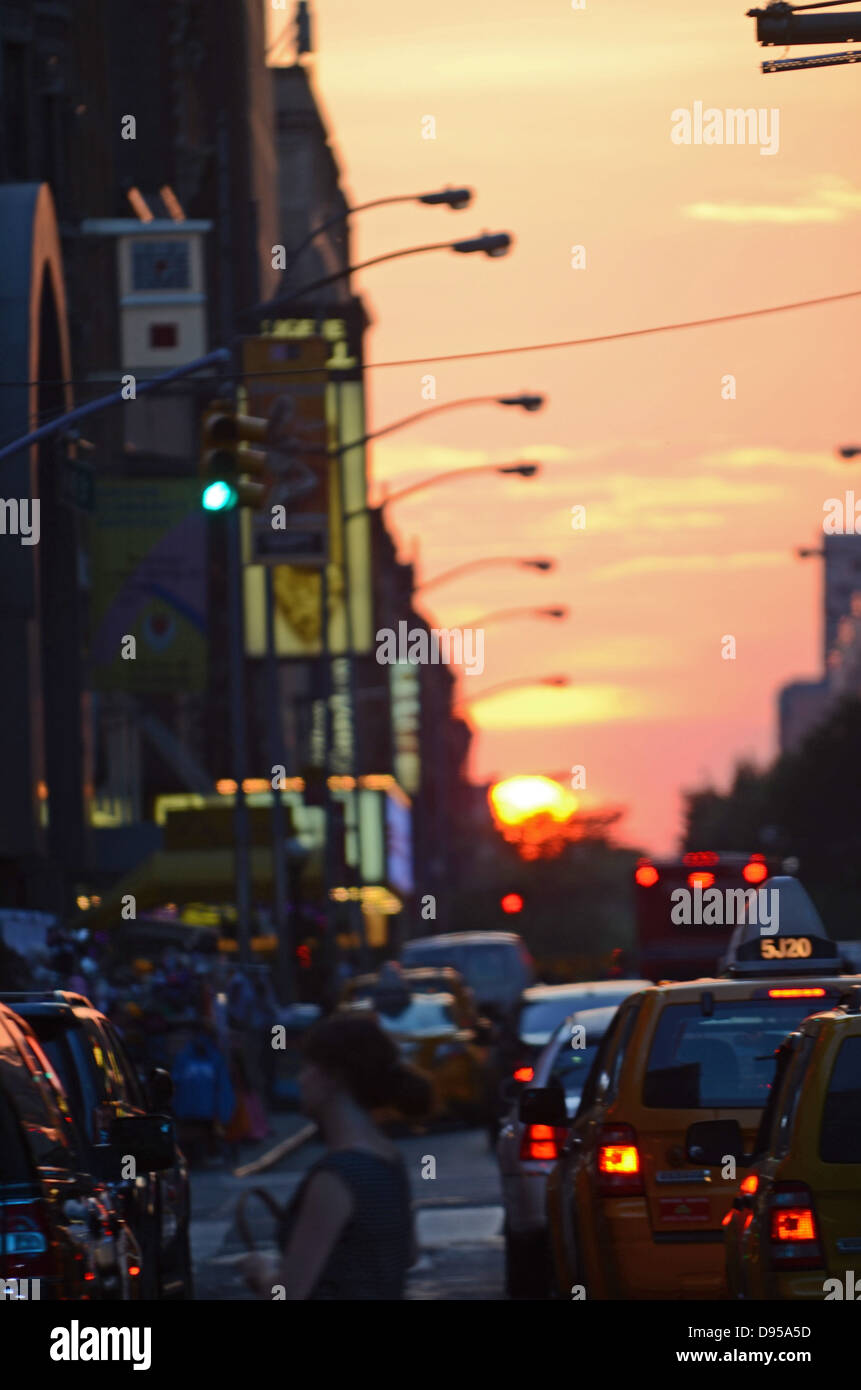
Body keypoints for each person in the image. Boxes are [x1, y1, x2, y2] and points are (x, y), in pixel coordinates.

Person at [242, 1013, 430, 1300]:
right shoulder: (389, 1158)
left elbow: (287, 1294)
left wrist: (262, 1272)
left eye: (308, 1068)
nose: (300, 1079)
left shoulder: (336, 1178)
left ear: (333, 1077)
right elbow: (408, 1254)